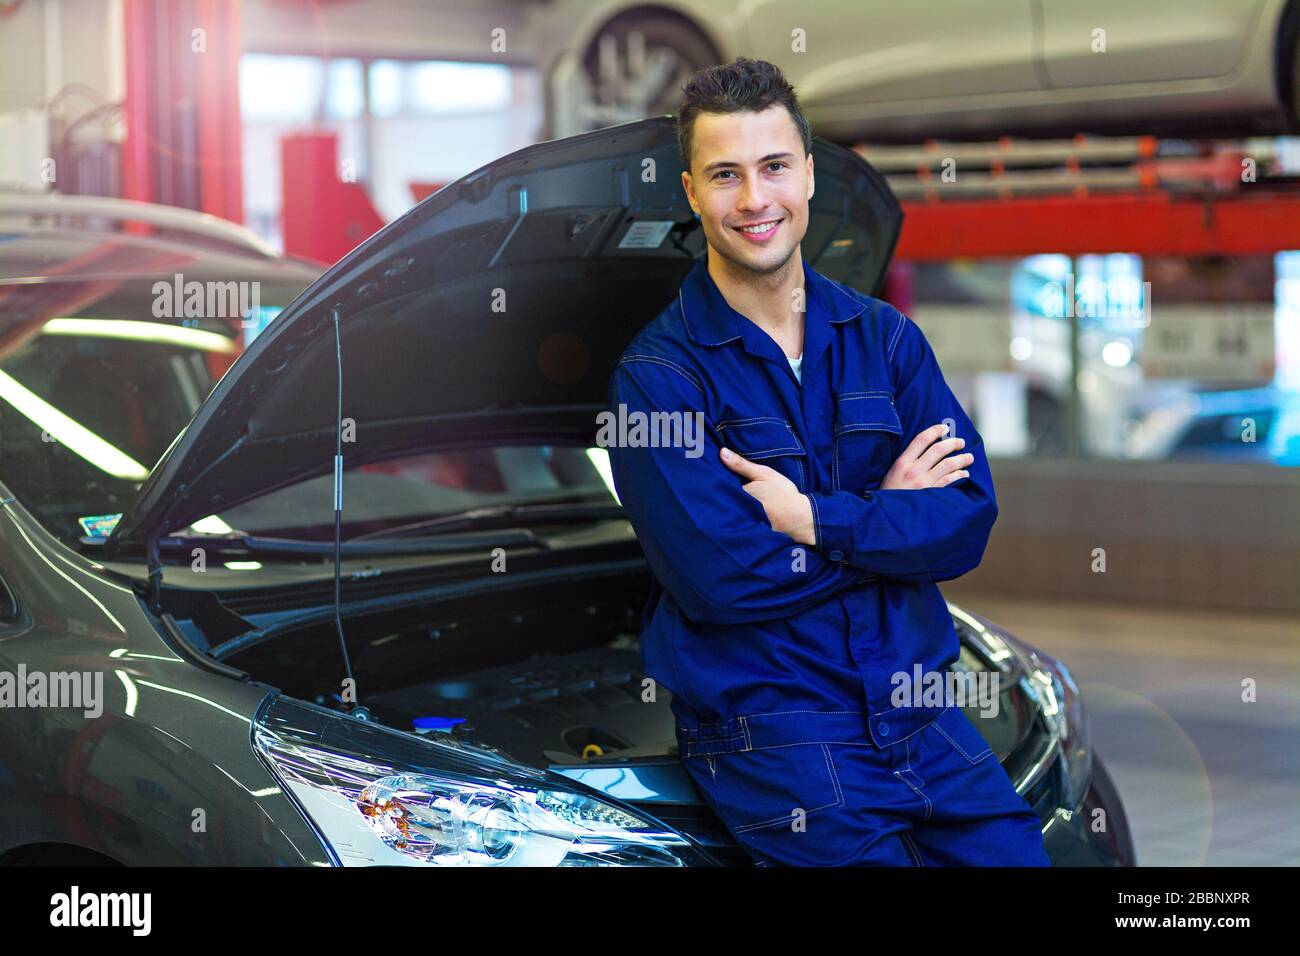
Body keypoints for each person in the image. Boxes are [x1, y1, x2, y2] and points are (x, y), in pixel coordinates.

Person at [605, 57, 1050, 866]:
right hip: (776, 737)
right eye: (726, 175)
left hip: (919, 713)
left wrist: (815, 518)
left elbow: (965, 522)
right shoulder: (658, 378)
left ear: (808, 175)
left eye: (774, 167)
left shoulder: (886, 340)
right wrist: (888, 519)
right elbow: (722, 575)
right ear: (692, 191)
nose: (754, 199)